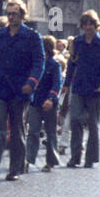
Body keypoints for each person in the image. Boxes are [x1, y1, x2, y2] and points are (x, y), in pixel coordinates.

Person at [0, 0, 43, 182]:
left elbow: (39, 63)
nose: (11, 16)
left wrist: (32, 81)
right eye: (9, 13)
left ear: (22, 15)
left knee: (17, 129)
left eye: (15, 13)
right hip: (0, 88)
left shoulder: (32, 36)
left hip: (20, 90)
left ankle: (16, 168)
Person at [61, 10, 100, 168]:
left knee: (93, 124)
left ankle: (91, 158)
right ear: (82, 26)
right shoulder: (77, 42)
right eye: (85, 24)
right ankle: (75, 156)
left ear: (96, 26)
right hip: (79, 86)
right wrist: (66, 84)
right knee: (75, 120)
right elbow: (71, 64)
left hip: (96, 88)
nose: (88, 27)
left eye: (91, 24)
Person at [26, 35, 62, 171]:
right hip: (35, 102)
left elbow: (57, 84)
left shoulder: (54, 64)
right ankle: (28, 159)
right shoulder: (34, 63)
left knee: (50, 132)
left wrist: (51, 99)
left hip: (49, 104)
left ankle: (50, 162)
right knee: (33, 131)